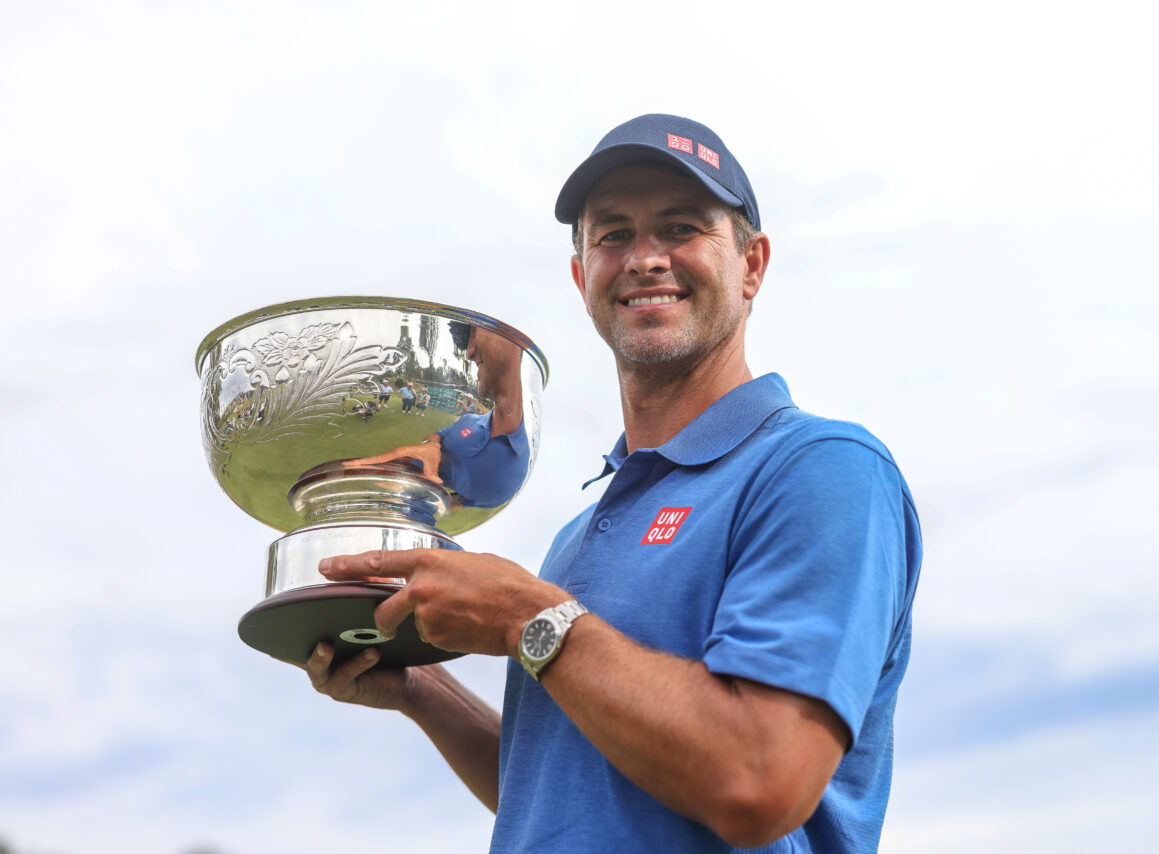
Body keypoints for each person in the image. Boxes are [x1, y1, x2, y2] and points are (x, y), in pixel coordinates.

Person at [299, 114, 922, 852]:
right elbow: (572, 788)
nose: (645, 258)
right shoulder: (577, 537)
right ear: (581, 275)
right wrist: (419, 690)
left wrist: (528, 618)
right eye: (614, 234)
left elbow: (759, 779)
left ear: (752, 264)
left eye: (682, 227)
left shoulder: (822, 469)